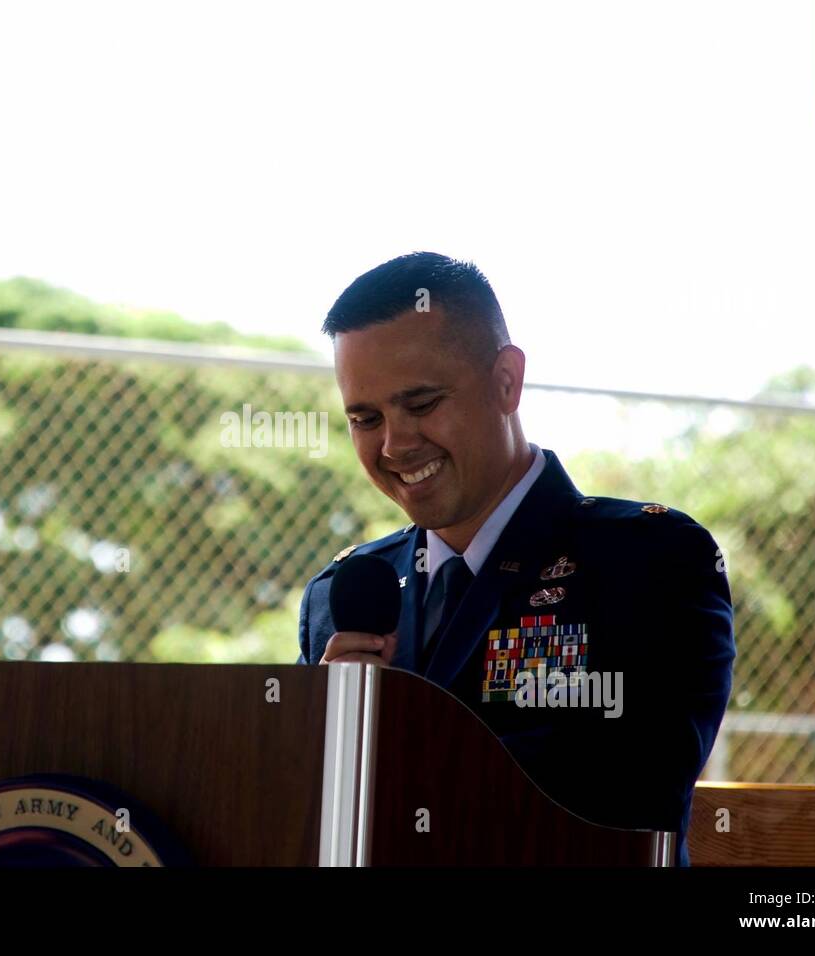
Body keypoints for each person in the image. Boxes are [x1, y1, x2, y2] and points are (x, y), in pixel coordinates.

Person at [295, 251, 735, 866]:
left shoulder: (648, 562)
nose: (394, 444)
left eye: (420, 404)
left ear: (507, 381)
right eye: (365, 418)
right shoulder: (342, 595)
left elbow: (627, 793)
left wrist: (391, 744)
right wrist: (323, 735)